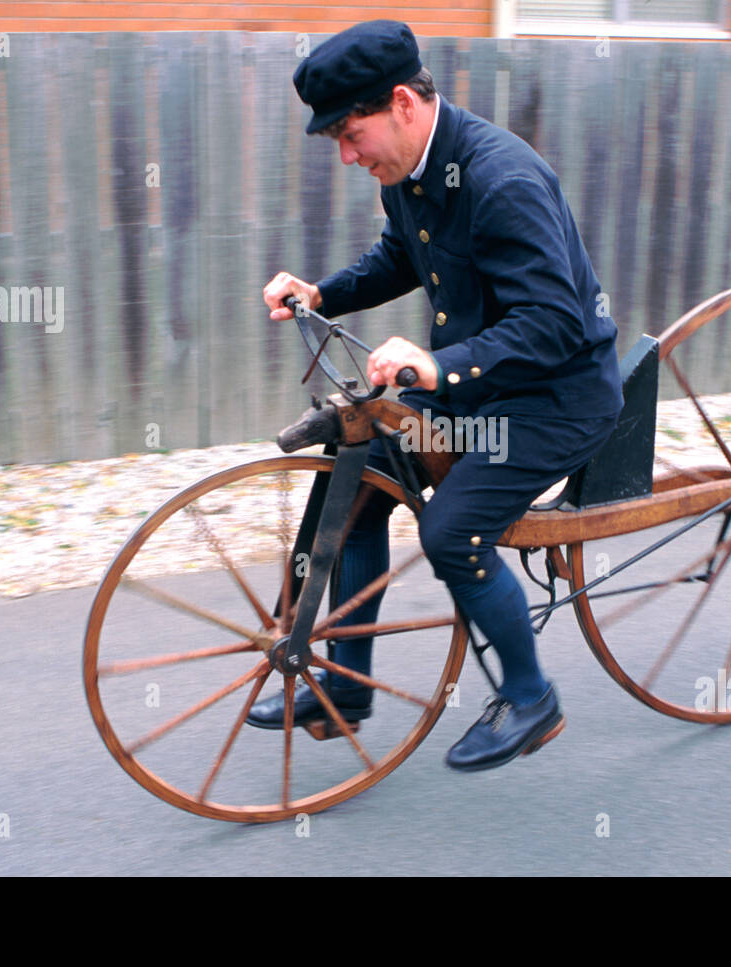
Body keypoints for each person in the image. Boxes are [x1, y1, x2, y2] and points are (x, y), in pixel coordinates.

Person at [255, 19, 622, 771]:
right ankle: (345, 688)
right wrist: (322, 290)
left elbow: (553, 324)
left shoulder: (501, 180)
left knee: (452, 531)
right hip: (478, 392)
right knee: (354, 474)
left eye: (352, 135)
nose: (350, 157)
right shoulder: (414, 172)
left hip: (555, 401)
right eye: (338, 143)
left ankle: (530, 697)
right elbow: (400, 257)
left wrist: (437, 364)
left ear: (401, 103)